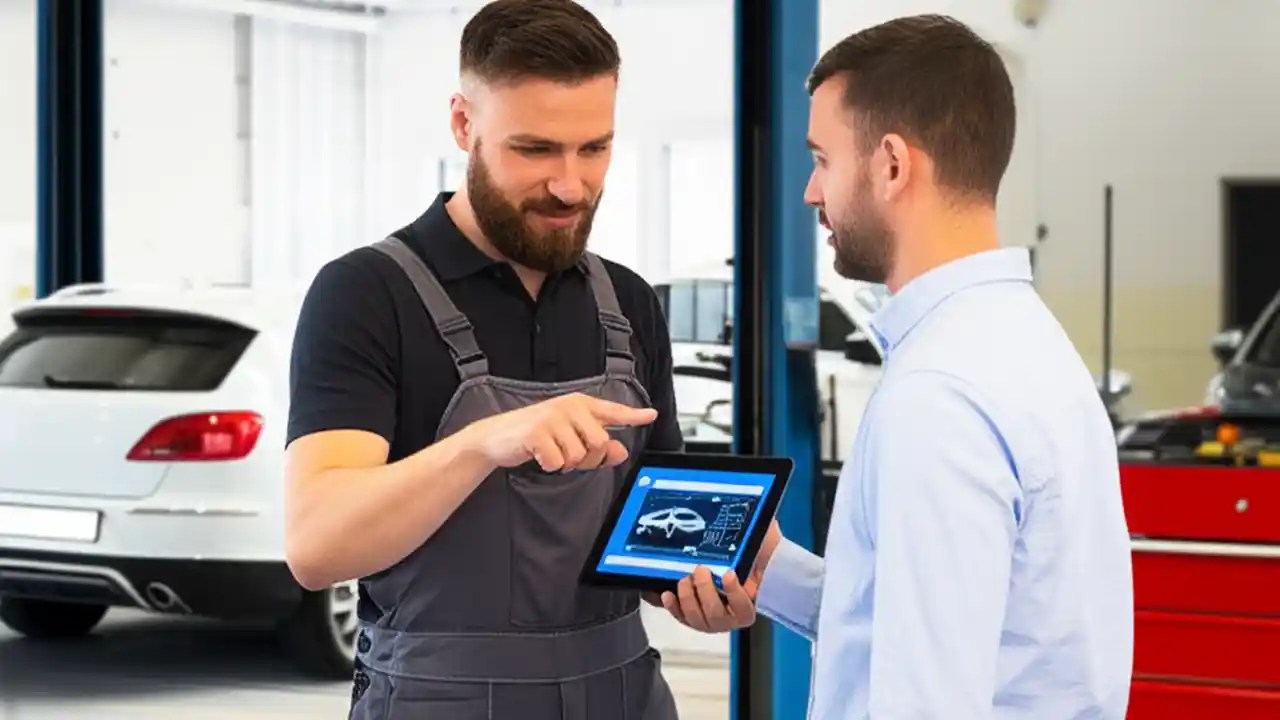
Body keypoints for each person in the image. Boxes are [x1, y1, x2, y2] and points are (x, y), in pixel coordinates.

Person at [658, 14, 1135, 719]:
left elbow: (925, 699)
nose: (810, 192)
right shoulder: (1023, 343)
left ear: (891, 165)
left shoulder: (940, 395)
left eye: (822, 160)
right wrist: (773, 569)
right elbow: (944, 627)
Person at [282, 1, 684, 718]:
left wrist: (702, 587)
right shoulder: (366, 294)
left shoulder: (629, 303)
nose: (570, 185)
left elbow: (658, 541)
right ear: (464, 123)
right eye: (535, 150)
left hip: (626, 694)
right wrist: (482, 444)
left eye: (594, 148)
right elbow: (317, 546)